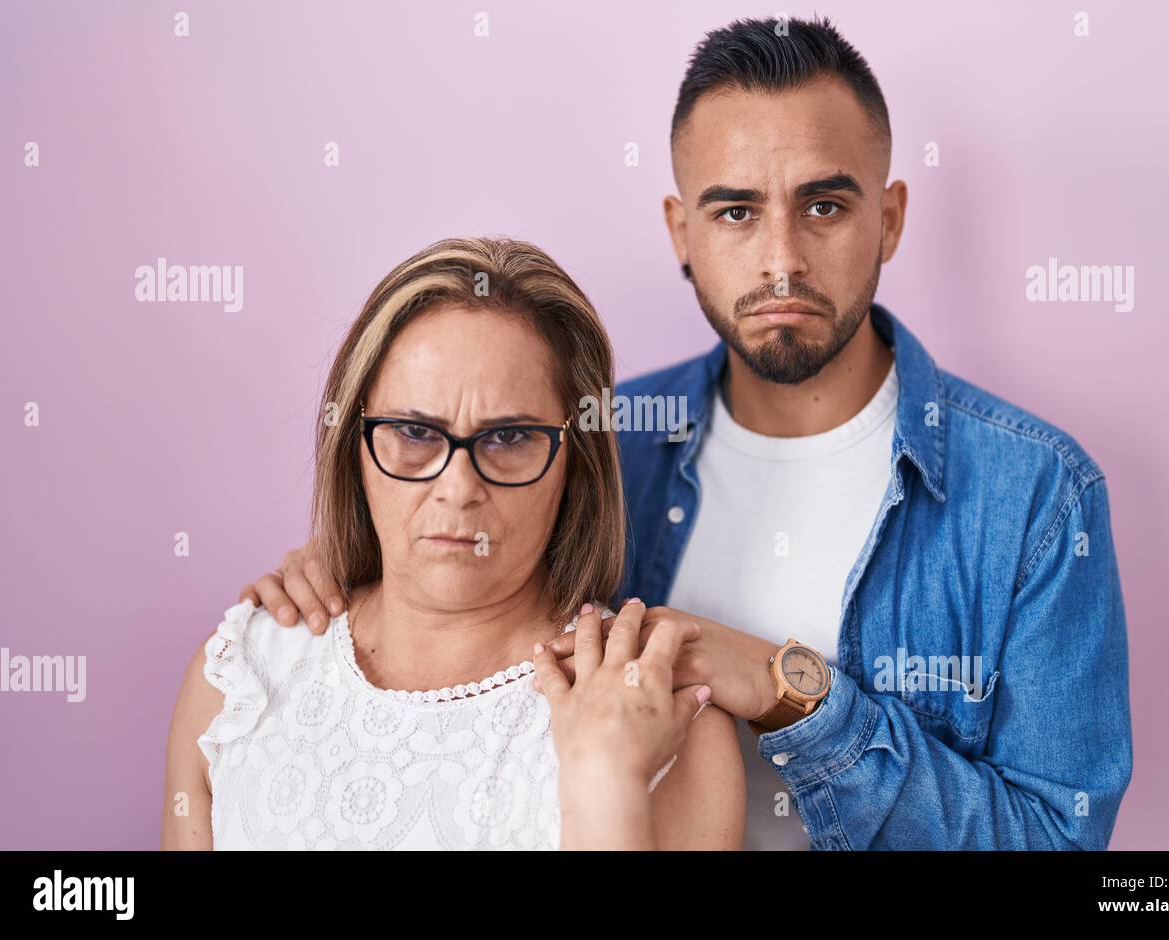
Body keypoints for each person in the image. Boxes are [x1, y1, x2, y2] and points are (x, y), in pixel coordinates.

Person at [244, 16, 1133, 850]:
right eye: (735, 212)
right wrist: (346, 568)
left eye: (824, 206)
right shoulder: (595, 442)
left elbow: (1061, 836)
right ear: (682, 231)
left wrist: (792, 694)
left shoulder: (1035, 494)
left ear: (890, 218)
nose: (781, 257)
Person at [162, 237, 745, 850]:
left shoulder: (665, 714)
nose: (457, 487)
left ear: (575, 461)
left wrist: (609, 781)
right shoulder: (237, 679)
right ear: (355, 446)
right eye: (414, 431)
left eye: (509, 437)